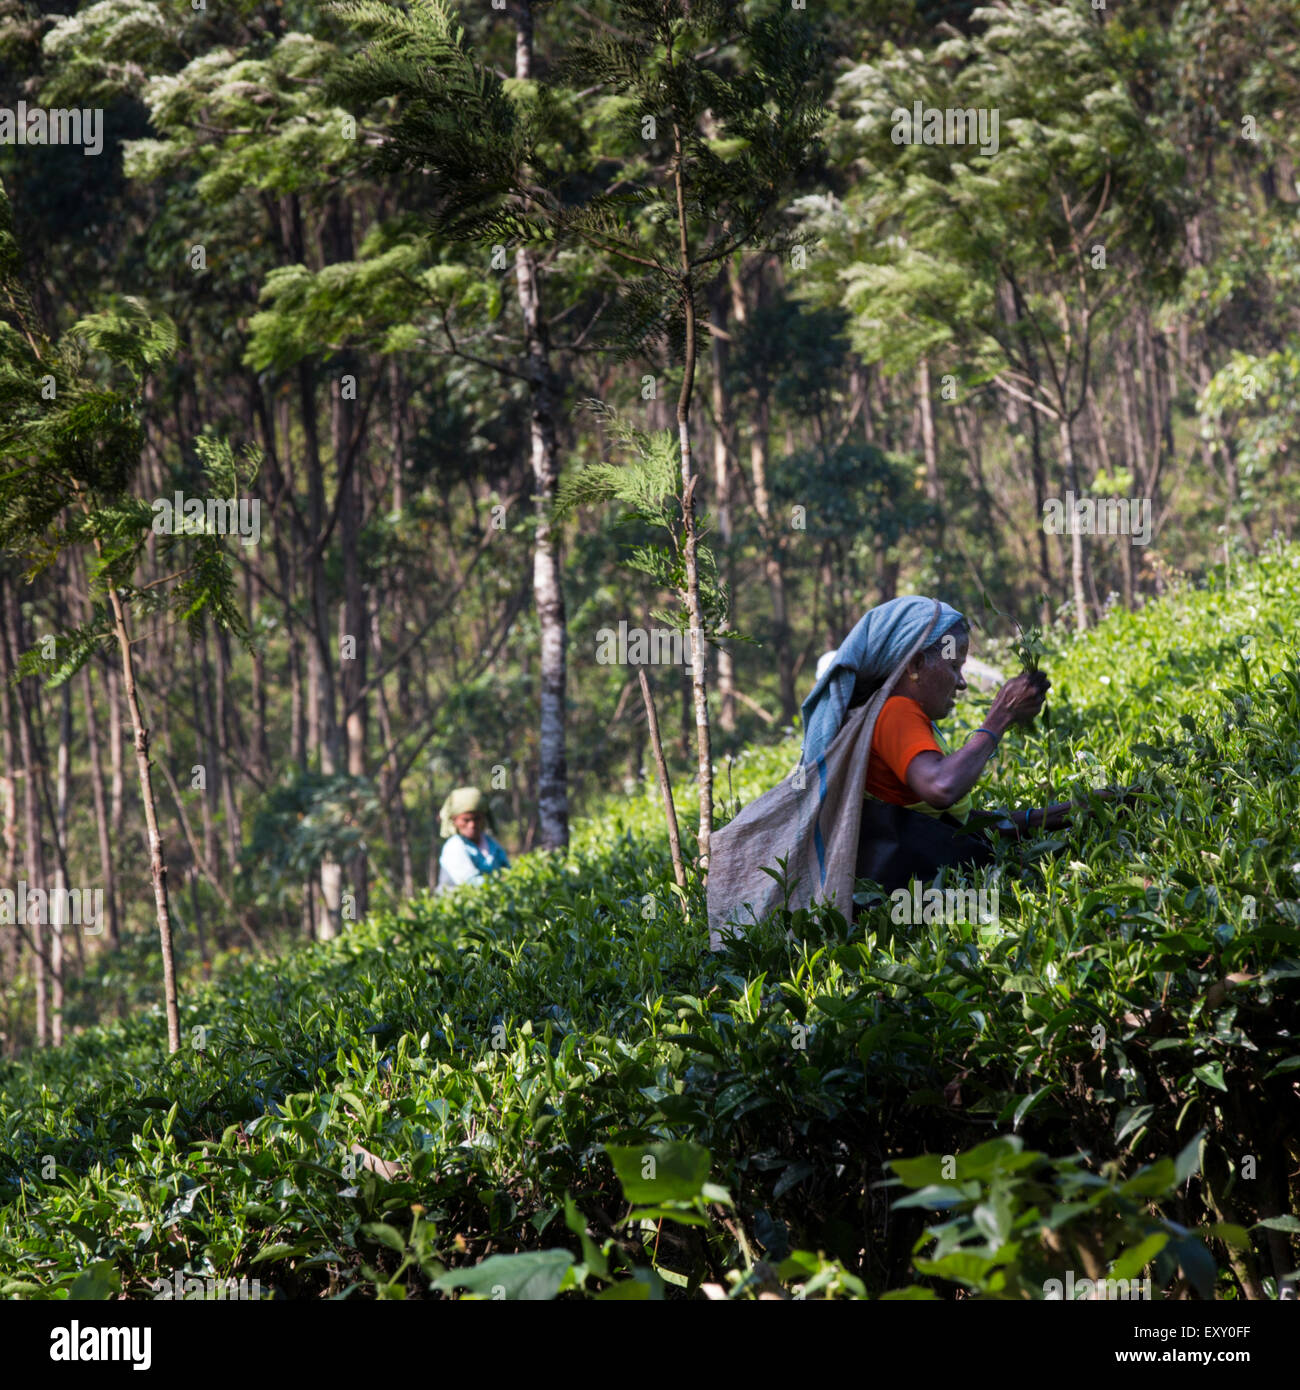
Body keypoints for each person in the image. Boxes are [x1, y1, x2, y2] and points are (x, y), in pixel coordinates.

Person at [437, 786, 509, 890]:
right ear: (455, 820)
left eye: (477, 819)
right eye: (466, 820)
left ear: (484, 818)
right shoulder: (454, 846)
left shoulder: (491, 844)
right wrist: (502, 882)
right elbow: (471, 883)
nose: (472, 825)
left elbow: (507, 869)